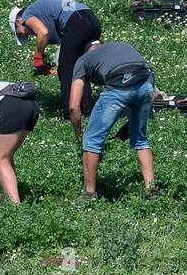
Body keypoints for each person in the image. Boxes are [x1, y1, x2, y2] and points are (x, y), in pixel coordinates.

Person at [68, 41, 159, 201]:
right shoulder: (121, 46)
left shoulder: (82, 61)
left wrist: (78, 134)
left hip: (118, 86)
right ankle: (151, 190)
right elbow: (150, 86)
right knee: (140, 139)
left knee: (92, 140)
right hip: (145, 83)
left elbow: (73, 107)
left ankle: (89, 193)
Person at [9, 0, 103, 117]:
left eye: (21, 33)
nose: (28, 35)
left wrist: (38, 59)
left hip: (77, 22)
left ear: (18, 22)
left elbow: (43, 33)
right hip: (92, 20)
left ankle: (71, 114)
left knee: (67, 71)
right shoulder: (44, 14)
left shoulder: (27, 14)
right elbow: (67, 46)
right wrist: (49, 65)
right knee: (80, 68)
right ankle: (86, 110)